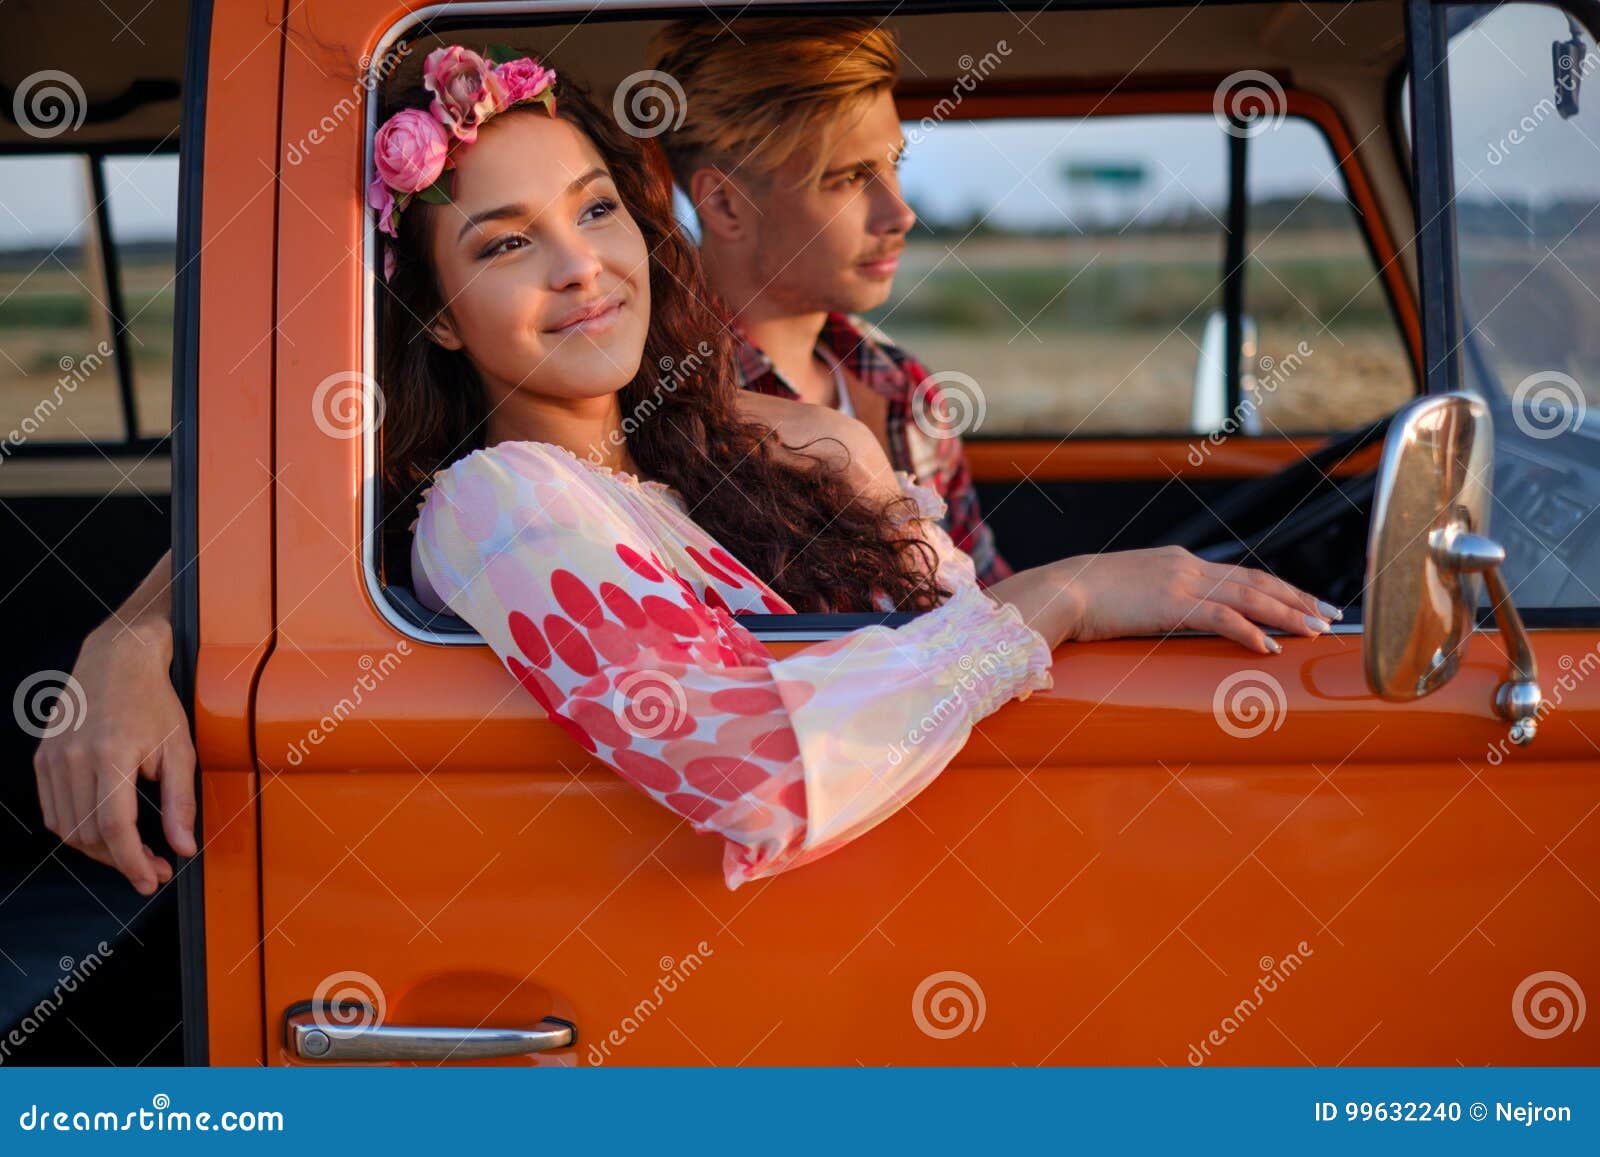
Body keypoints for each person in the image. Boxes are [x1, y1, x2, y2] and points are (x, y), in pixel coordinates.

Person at [32, 47, 1342, 896]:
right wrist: (1058, 598)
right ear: (436, 316)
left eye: (597, 209)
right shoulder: (499, 507)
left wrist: (854, 475)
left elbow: (956, 663)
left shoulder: (744, 455)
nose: (579, 265)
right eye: (504, 245)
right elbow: (756, 769)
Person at [649, 18, 1012, 587]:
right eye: (846, 179)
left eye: (895, 164)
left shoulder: (906, 387)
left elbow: (985, 603)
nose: (900, 214)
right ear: (724, 205)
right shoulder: (665, 409)